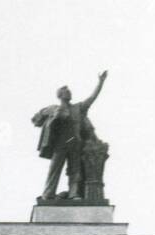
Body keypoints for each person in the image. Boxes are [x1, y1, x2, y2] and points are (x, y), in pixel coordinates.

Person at [32, 70, 108, 200]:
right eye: (67, 92)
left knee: (75, 170)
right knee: (55, 168)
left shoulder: (78, 108)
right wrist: (51, 118)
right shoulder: (53, 108)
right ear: (60, 95)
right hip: (60, 143)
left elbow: (92, 98)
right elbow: (36, 120)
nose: (70, 93)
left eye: (70, 92)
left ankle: (73, 193)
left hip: (75, 142)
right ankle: (48, 193)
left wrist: (100, 82)